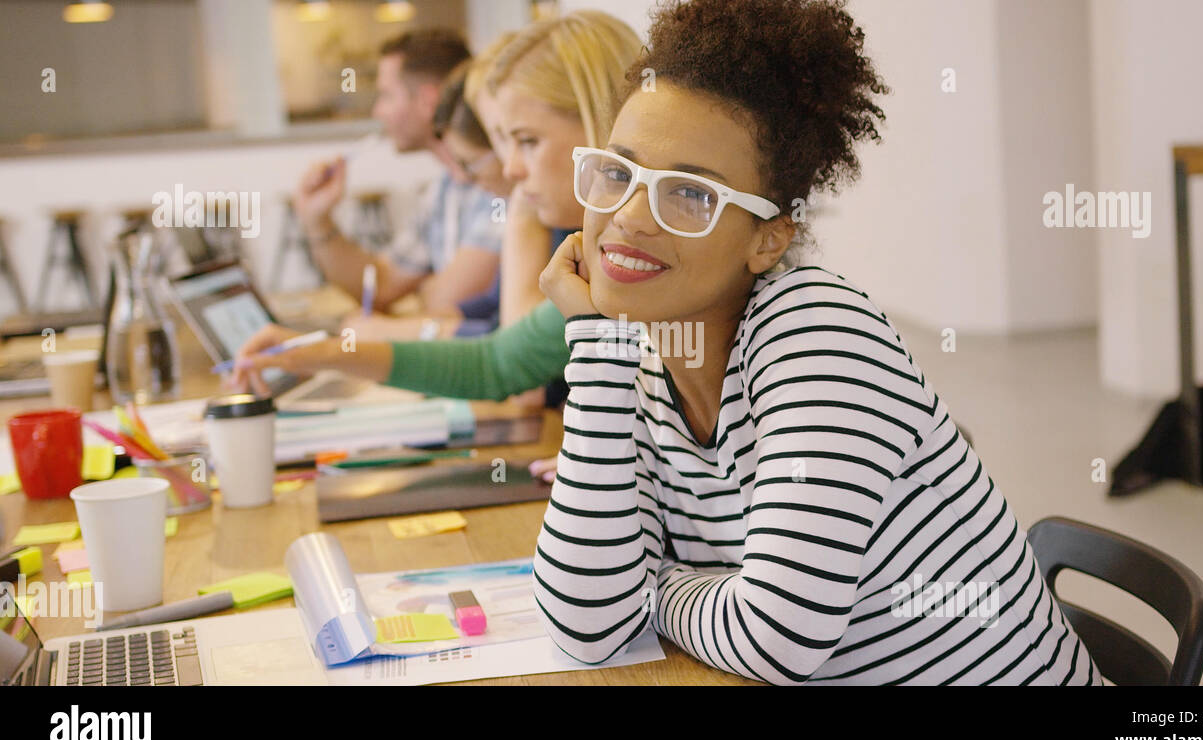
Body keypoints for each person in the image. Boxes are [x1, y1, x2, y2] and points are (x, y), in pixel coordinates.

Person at [530, 0, 1103, 685]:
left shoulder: (818, 334)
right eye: (618, 172)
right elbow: (587, 625)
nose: (626, 217)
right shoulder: (648, 360)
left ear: (769, 238)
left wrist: (651, 590)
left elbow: (776, 640)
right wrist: (595, 346)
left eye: (688, 194)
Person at [229, 11, 642, 409]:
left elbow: (514, 378)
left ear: (600, 127)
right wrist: (323, 353)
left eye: (527, 141)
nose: (510, 167)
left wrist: (520, 217)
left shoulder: (627, 260)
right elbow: (498, 362)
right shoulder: (596, 256)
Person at [296, 29, 504, 336]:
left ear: (428, 101)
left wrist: (420, 304)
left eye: (387, 95)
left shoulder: (500, 186)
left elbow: (451, 302)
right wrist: (316, 219)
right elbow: (380, 288)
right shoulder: (440, 191)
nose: (377, 111)